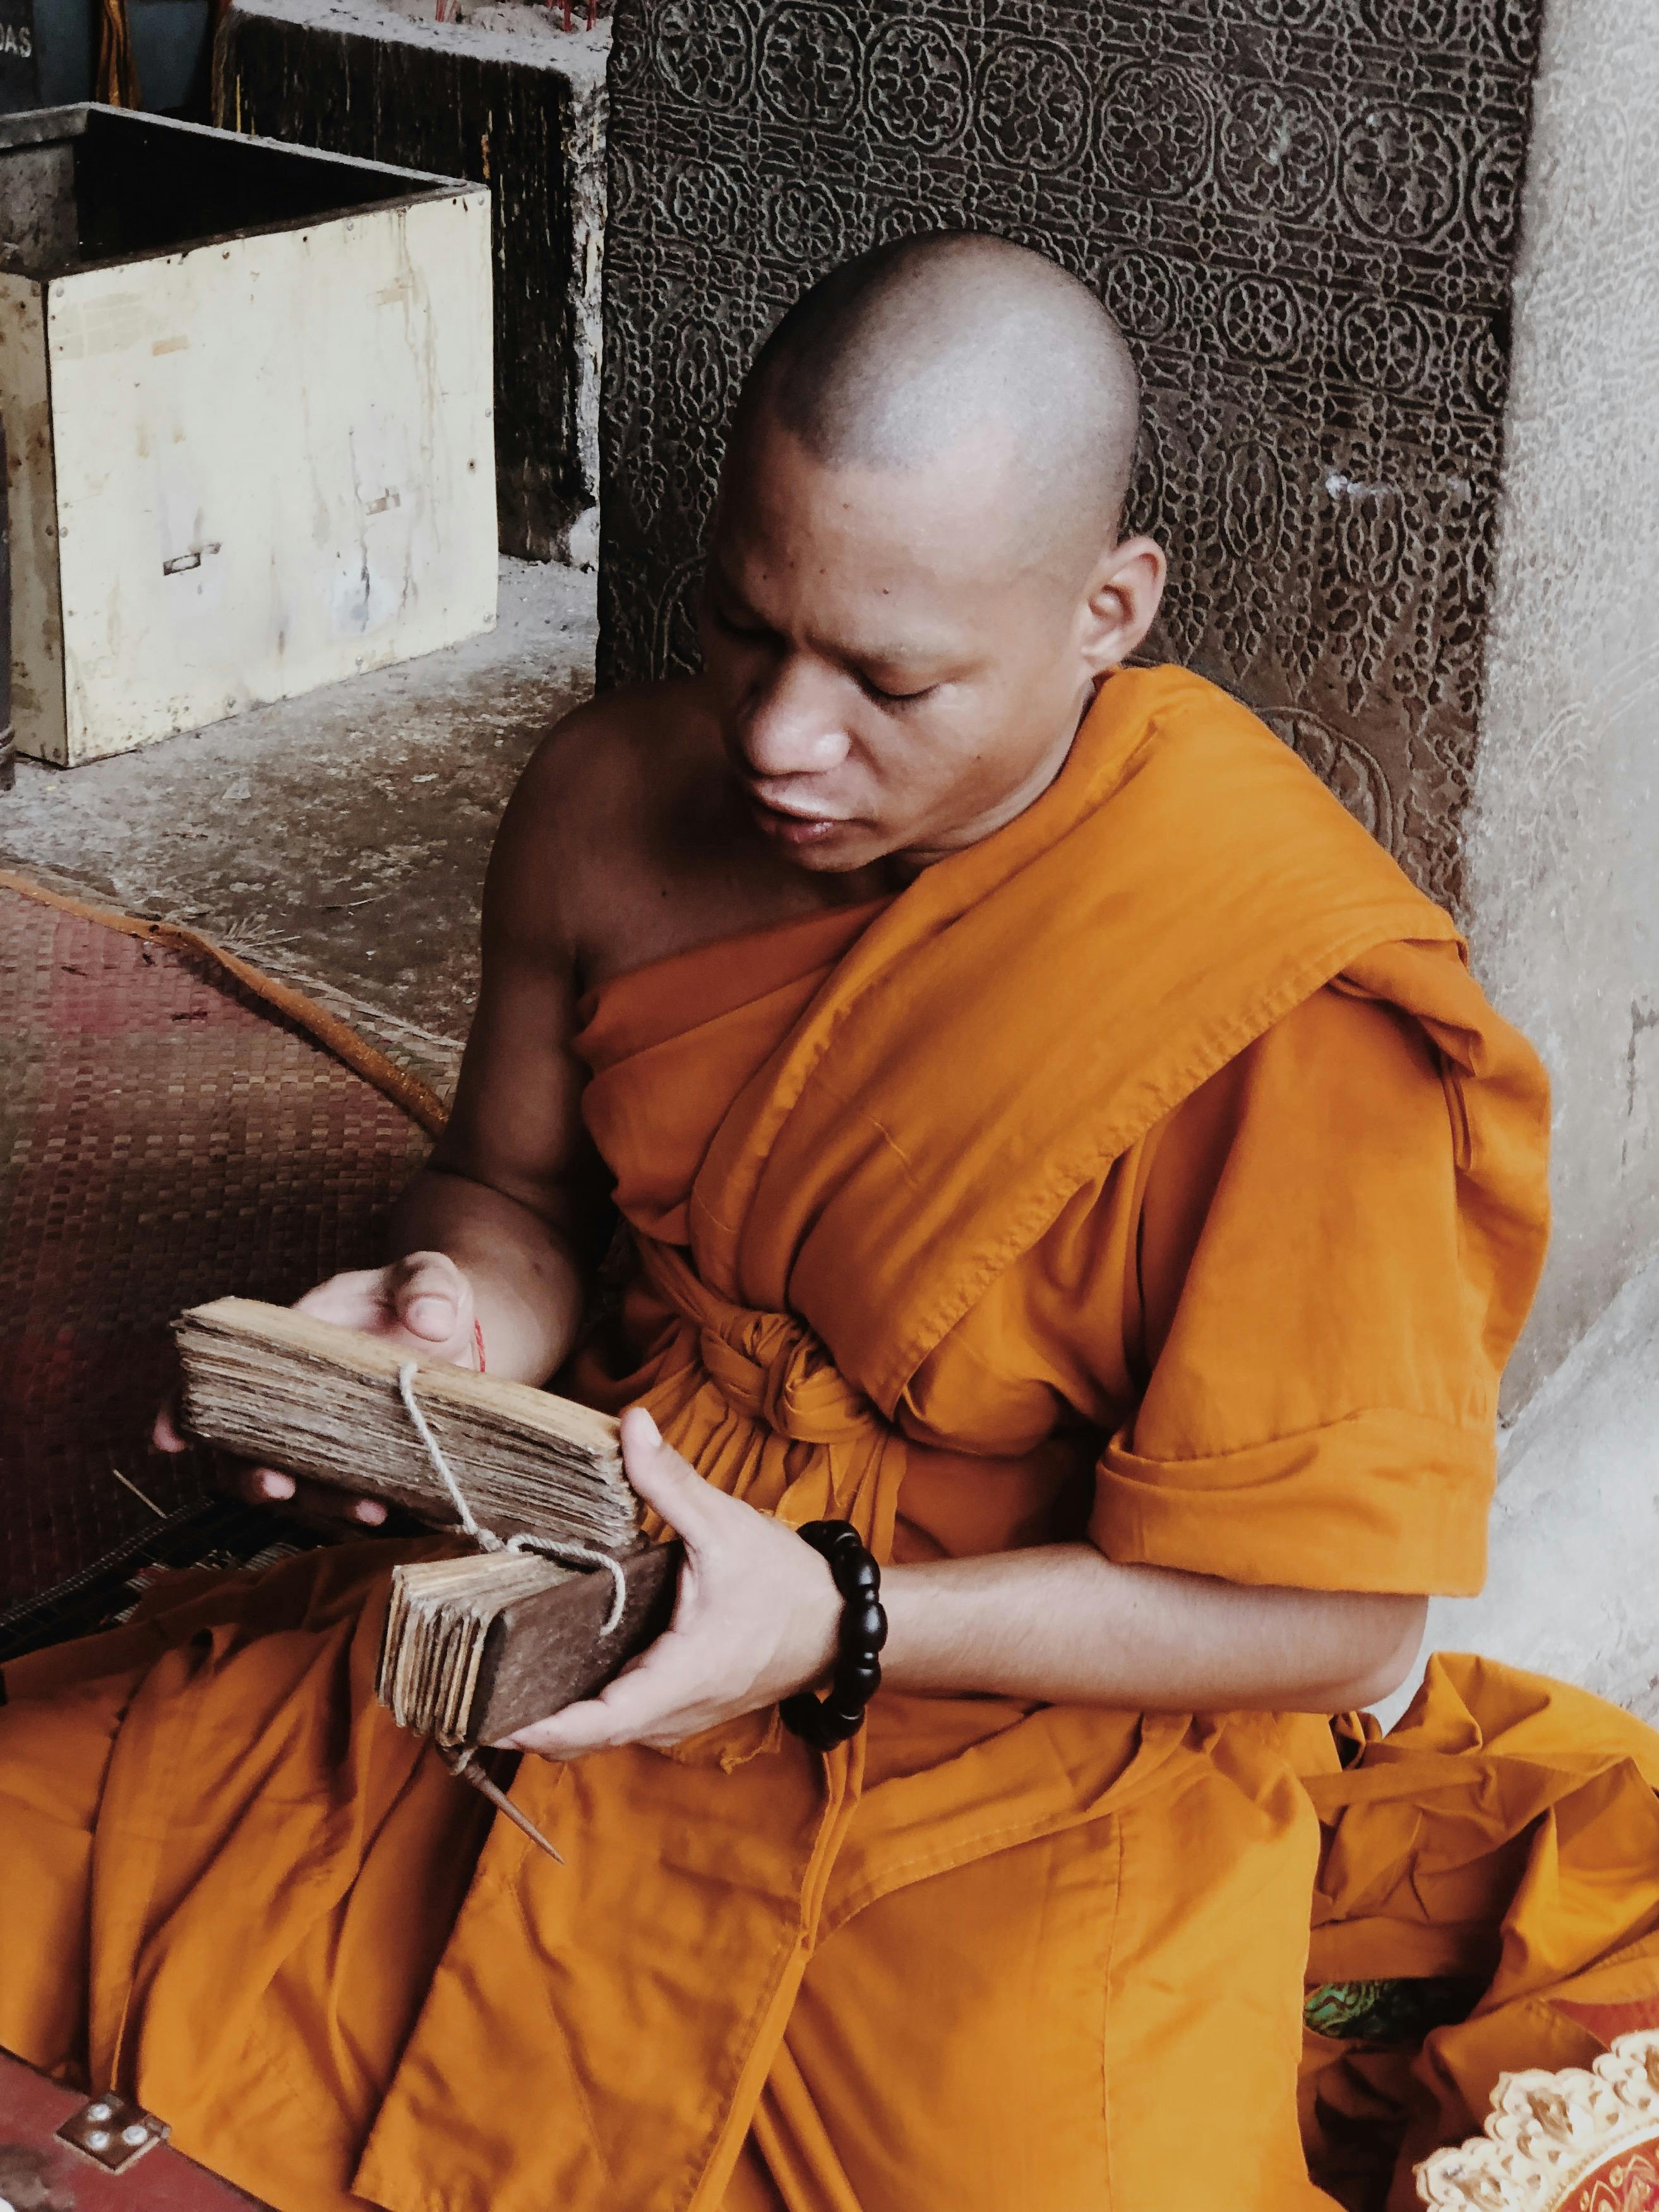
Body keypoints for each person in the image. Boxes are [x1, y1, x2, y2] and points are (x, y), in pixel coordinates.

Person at [4, 232, 1659, 2212]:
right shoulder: (611, 801)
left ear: (1105, 611)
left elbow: (1337, 1620)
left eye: (891, 682)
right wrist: (444, 1325)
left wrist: (842, 1620)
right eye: (741, 630)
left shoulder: (1276, 999)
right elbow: (517, 1190)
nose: (784, 741)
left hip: (1023, 1717)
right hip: (595, 1577)